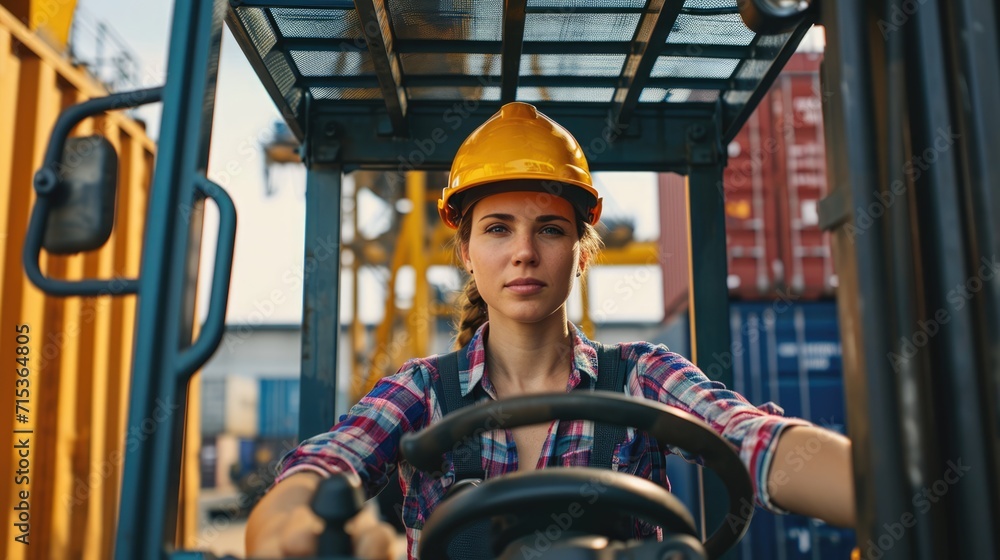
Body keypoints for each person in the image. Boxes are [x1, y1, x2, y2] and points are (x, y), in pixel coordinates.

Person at [245, 102, 855, 559]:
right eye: (498, 229)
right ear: (466, 251)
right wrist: (290, 528)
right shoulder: (421, 393)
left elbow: (753, 440)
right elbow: (326, 463)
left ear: (582, 251)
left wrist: (895, 492)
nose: (524, 254)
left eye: (551, 230)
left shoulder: (639, 375)